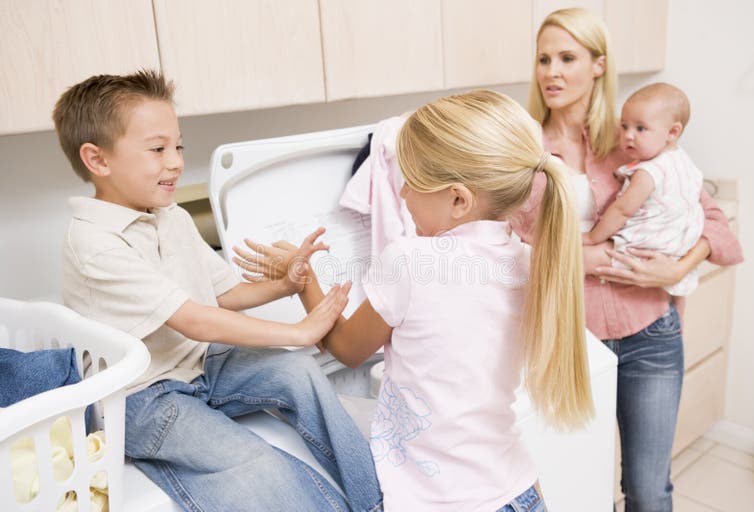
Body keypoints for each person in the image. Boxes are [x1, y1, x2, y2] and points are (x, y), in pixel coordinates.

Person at [236, 89, 591, 511]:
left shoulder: (409, 260)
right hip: (517, 490)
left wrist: (304, 279)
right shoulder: (532, 262)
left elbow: (347, 349)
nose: (402, 195)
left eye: (412, 183)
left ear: (458, 199)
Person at [53, 69, 383, 512]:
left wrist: (287, 283)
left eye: (178, 146)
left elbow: (222, 297)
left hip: (202, 363)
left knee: (299, 372)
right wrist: (299, 331)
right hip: (142, 398)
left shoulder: (171, 217)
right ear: (98, 160)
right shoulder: (93, 242)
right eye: (157, 149)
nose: (175, 161)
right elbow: (192, 318)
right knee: (258, 466)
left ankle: (382, 502)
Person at [521, 8, 743, 512]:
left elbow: (716, 227)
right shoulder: (527, 149)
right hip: (571, 343)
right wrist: (595, 258)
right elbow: (514, 246)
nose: (551, 71)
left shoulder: (636, 138)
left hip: (651, 335)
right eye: (543, 59)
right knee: (572, 484)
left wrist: (680, 268)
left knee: (647, 490)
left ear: (599, 65)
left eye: (567, 58)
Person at [582, 82, 704, 296]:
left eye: (640, 128)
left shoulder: (648, 172)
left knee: (579, 258)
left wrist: (593, 238)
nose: (629, 135)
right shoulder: (682, 161)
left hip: (645, 253)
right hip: (676, 247)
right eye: (624, 126)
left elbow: (622, 210)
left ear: (672, 132)